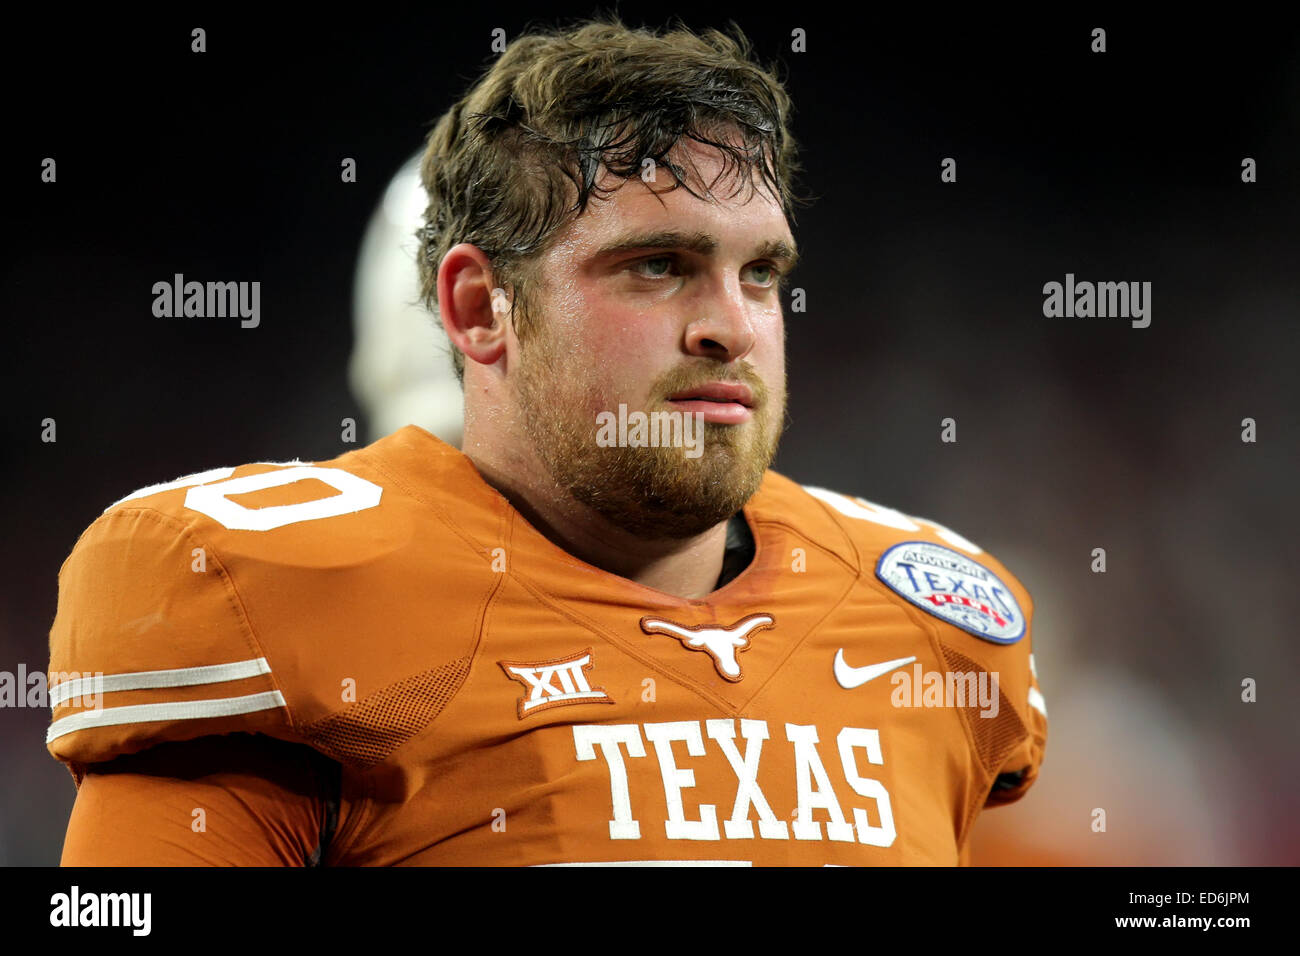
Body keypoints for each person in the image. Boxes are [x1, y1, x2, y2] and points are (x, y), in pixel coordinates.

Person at [48, 16, 1045, 865]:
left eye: (760, 274)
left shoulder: (926, 618)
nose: (732, 327)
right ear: (479, 310)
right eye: (658, 265)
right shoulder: (274, 599)